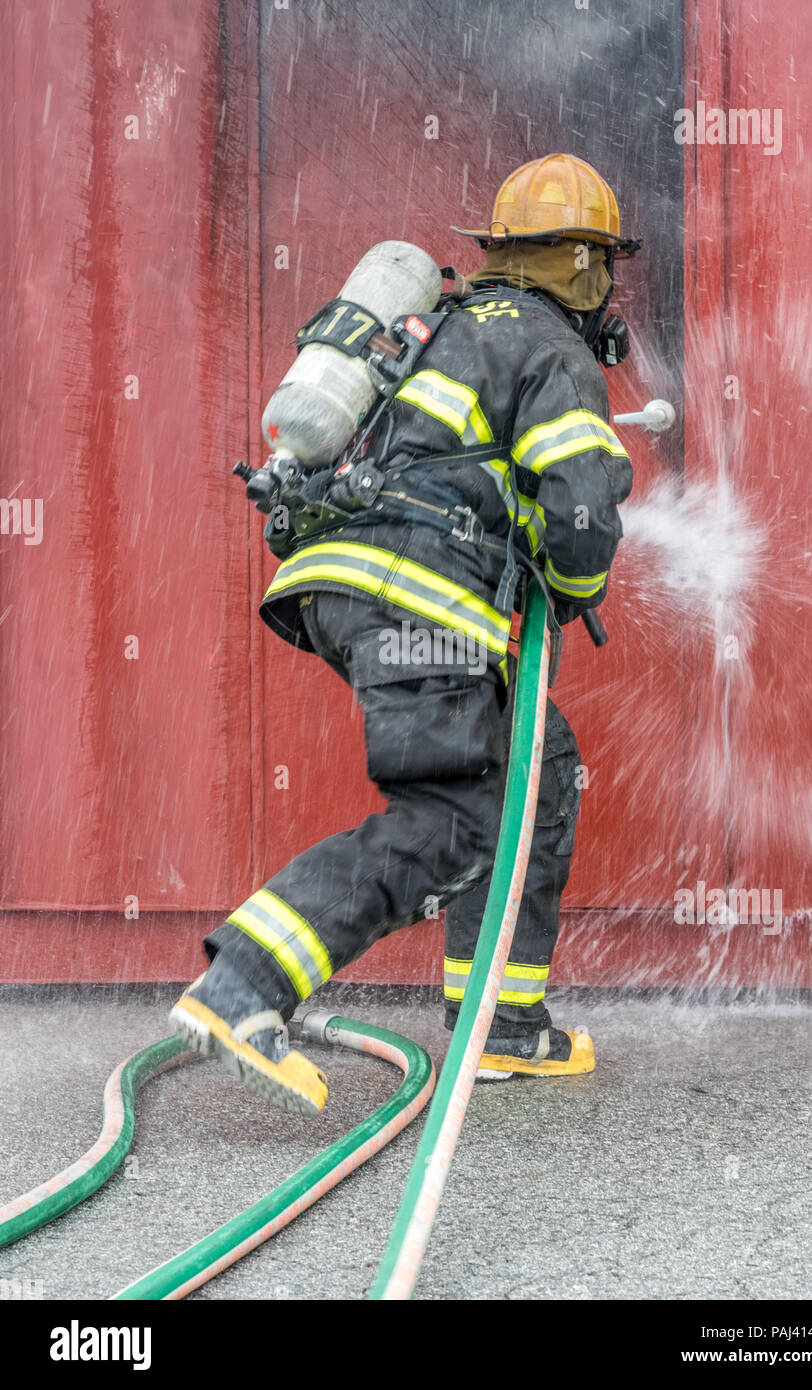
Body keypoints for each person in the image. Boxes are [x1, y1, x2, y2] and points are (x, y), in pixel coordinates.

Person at [171, 153, 638, 1114]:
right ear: (584, 263)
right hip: (416, 599)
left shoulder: (448, 324)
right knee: (454, 822)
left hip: (347, 582)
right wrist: (574, 577)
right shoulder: (551, 346)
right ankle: (244, 985)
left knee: (534, 760)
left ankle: (501, 1021)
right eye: (605, 267)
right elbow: (583, 511)